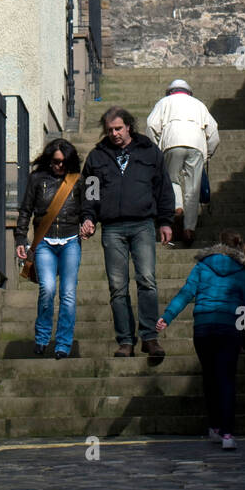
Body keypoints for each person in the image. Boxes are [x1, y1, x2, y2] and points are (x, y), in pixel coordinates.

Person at [80, 107, 175, 359]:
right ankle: (125, 341)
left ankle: (150, 338)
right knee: (117, 287)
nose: (114, 134)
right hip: (112, 228)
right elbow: (90, 193)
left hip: (143, 224)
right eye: (110, 130)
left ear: (129, 127)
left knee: (147, 280)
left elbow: (164, 188)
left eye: (118, 128)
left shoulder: (149, 151)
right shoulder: (96, 157)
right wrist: (88, 217)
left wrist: (165, 222)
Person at [156, 230, 245, 450]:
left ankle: (213, 426)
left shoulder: (203, 266)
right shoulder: (242, 271)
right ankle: (227, 434)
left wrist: (167, 316)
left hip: (203, 328)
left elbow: (186, 293)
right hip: (228, 328)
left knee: (210, 377)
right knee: (226, 380)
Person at [15, 138, 84, 359]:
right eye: (55, 162)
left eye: (63, 163)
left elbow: (88, 207)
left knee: (68, 293)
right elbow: (26, 210)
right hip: (44, 242)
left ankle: (63, 343)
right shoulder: (36, 179)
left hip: (71, 240)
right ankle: (42, 338)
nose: (59, 166)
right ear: (48, 160)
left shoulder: (78, 180)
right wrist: (20, 238)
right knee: (47, 289)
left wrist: (88, 221)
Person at [146, 79, 220, 246]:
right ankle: (189, 229)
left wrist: (156, 148)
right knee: (193, 189)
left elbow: (151, 125)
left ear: (170, 92)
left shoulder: (164, 102)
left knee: (172, 179)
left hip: (172, 143)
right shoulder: (199, 105)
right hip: (197, 146)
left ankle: (177, 207)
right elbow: (214, 131)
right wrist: (207, 154)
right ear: (189, 92)